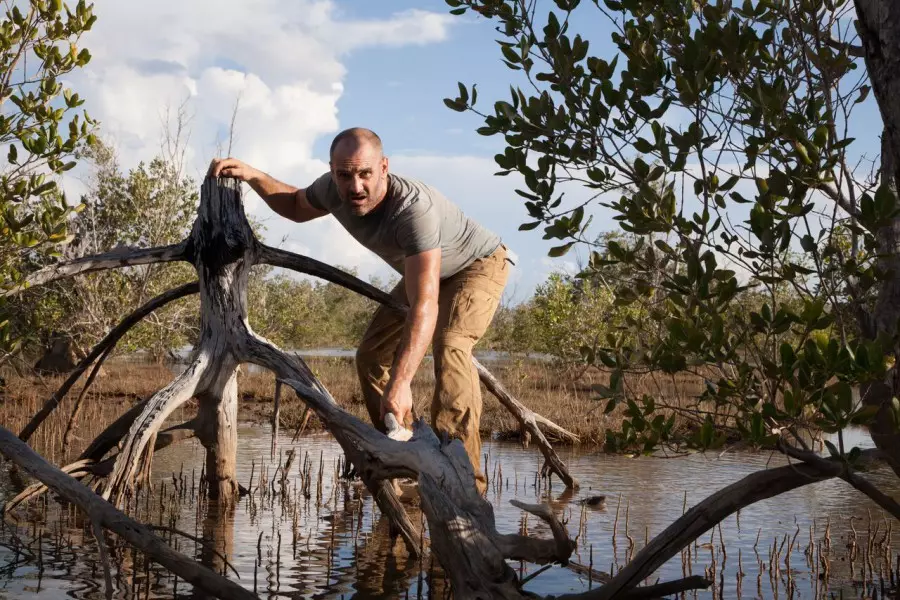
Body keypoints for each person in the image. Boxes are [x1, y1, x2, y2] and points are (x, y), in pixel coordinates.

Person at [209, 127, 511, 493]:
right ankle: (405, 453)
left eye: (365, 173)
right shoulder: (330, 189)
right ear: (333, 171)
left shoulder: (414, 211)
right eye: (345, 175)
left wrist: (401, 383)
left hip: (477, 264)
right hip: (427, 272)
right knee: (370, 357)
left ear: (384, 167)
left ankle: (464, 482)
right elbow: (293, 205)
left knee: (450, 345)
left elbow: (424, 306)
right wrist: (254, 175)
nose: (355, 187)